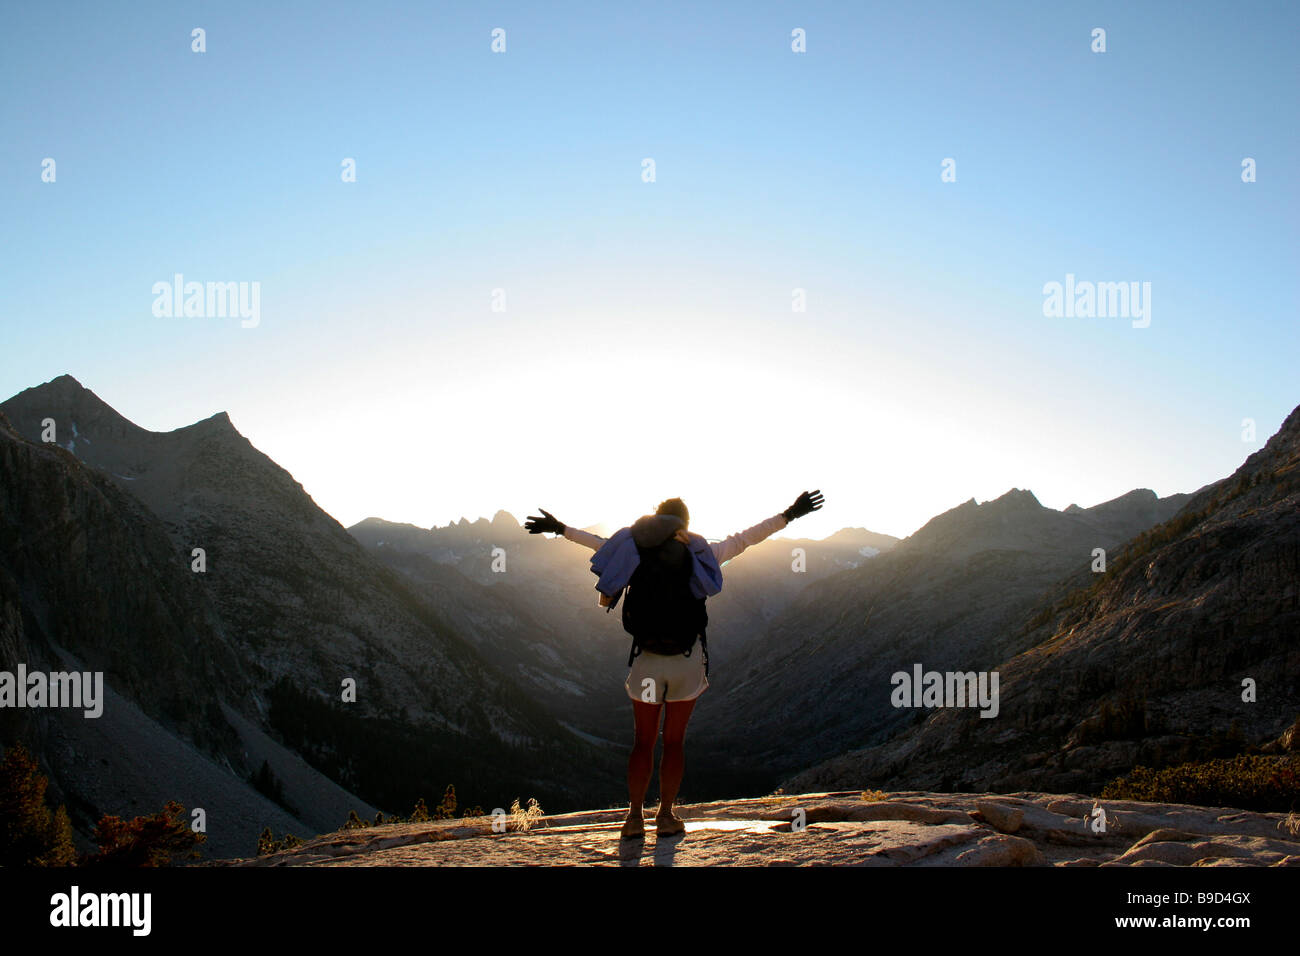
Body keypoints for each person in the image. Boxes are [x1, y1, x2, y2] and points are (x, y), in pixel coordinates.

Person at [524, 490, 824, 840]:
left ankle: (634, 818)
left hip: (647, 659)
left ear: (655, 520)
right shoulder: (701, 551)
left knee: (643, 742)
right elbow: (746, 539)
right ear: (685, 522)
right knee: (675, 742)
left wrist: (559, 527)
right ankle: (666, 816)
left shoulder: (632, 546)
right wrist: (790, 513)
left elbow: (596, 543)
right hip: (687, 659)